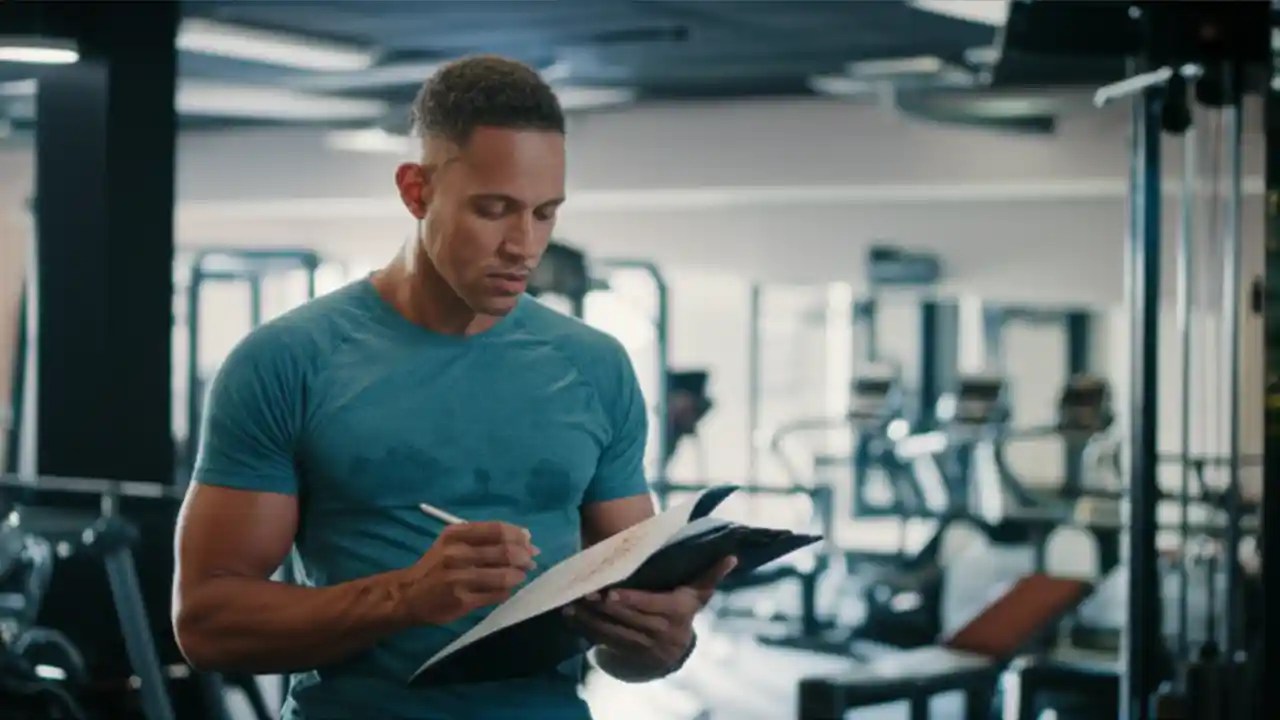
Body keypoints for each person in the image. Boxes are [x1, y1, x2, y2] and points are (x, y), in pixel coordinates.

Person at [171, 55, 735, 719]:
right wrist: (405, 598)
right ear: (416, 191)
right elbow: (207, 624)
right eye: (494, 210)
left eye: (545, 214)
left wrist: (660, 639)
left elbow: (625, 643)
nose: (524, 246)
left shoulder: (595, 365)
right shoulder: (287, 362)